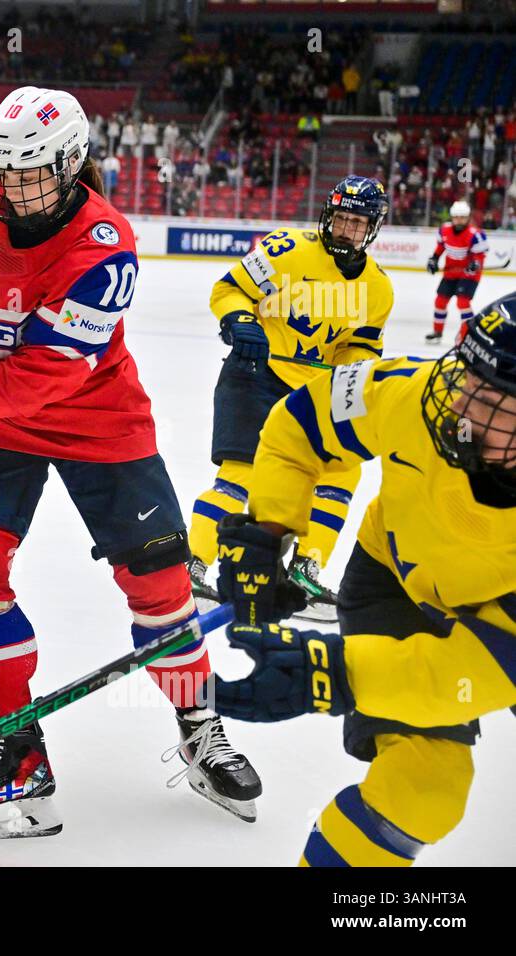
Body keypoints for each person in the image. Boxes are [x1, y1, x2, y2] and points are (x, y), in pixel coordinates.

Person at [0, 86, 261, 838]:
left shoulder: (103, 251)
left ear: (72, 165)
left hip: (91, 417)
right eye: (2, 173)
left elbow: (49, 372)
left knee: (160, 578)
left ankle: (200, 729)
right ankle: (17, 754)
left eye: (33, 175)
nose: (13, 190)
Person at [210, 295, 516, 866]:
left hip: (487, 635)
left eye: (495, 402)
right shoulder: (417, 394)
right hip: (393, 582)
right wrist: (267, 531)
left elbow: (482, 667)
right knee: (424, 787)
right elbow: (304, 420)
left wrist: (332, 672)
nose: (463, 408)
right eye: (466, 378)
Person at [187, 176, 392, 622]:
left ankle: (304, 569)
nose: (345, 230)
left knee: (343, 471)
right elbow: (228, 289)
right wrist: (242, 321)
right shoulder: (287, 251)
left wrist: (351, 370)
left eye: (357, 223)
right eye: (340, 218)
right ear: (327, 215)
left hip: (314, 393)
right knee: (240, 473)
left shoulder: (378, 288)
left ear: (372, 229)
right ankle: (191, 568)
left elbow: (361, 345)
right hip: (255, 375)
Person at [425, 200, 487, 343]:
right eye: (456, 217)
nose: (459, 220)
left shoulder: (475, 235)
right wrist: (433, 259)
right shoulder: (444, 230)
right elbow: (440, 248)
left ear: (468, 217)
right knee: (440, 301)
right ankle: (437, 332)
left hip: (468, 275)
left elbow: (479, 257)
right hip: (450, 273)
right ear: (452, 217)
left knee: (462, 302)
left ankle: (470, 334)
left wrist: (475, 264)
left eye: (462, 217)